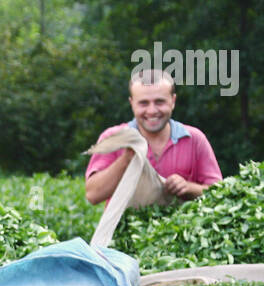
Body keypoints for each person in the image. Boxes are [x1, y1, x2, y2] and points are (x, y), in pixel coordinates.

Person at [84, 68, 223, 205]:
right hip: (129, 227)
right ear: (132, 103)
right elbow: (92, 195)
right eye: (143, 103)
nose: (152, 111)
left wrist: (188, 188)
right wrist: (126, 160)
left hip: (183, 226)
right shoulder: (115, 138)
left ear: (173, 101)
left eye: (159, 102)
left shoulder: (194, 139)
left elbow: (220, 193)